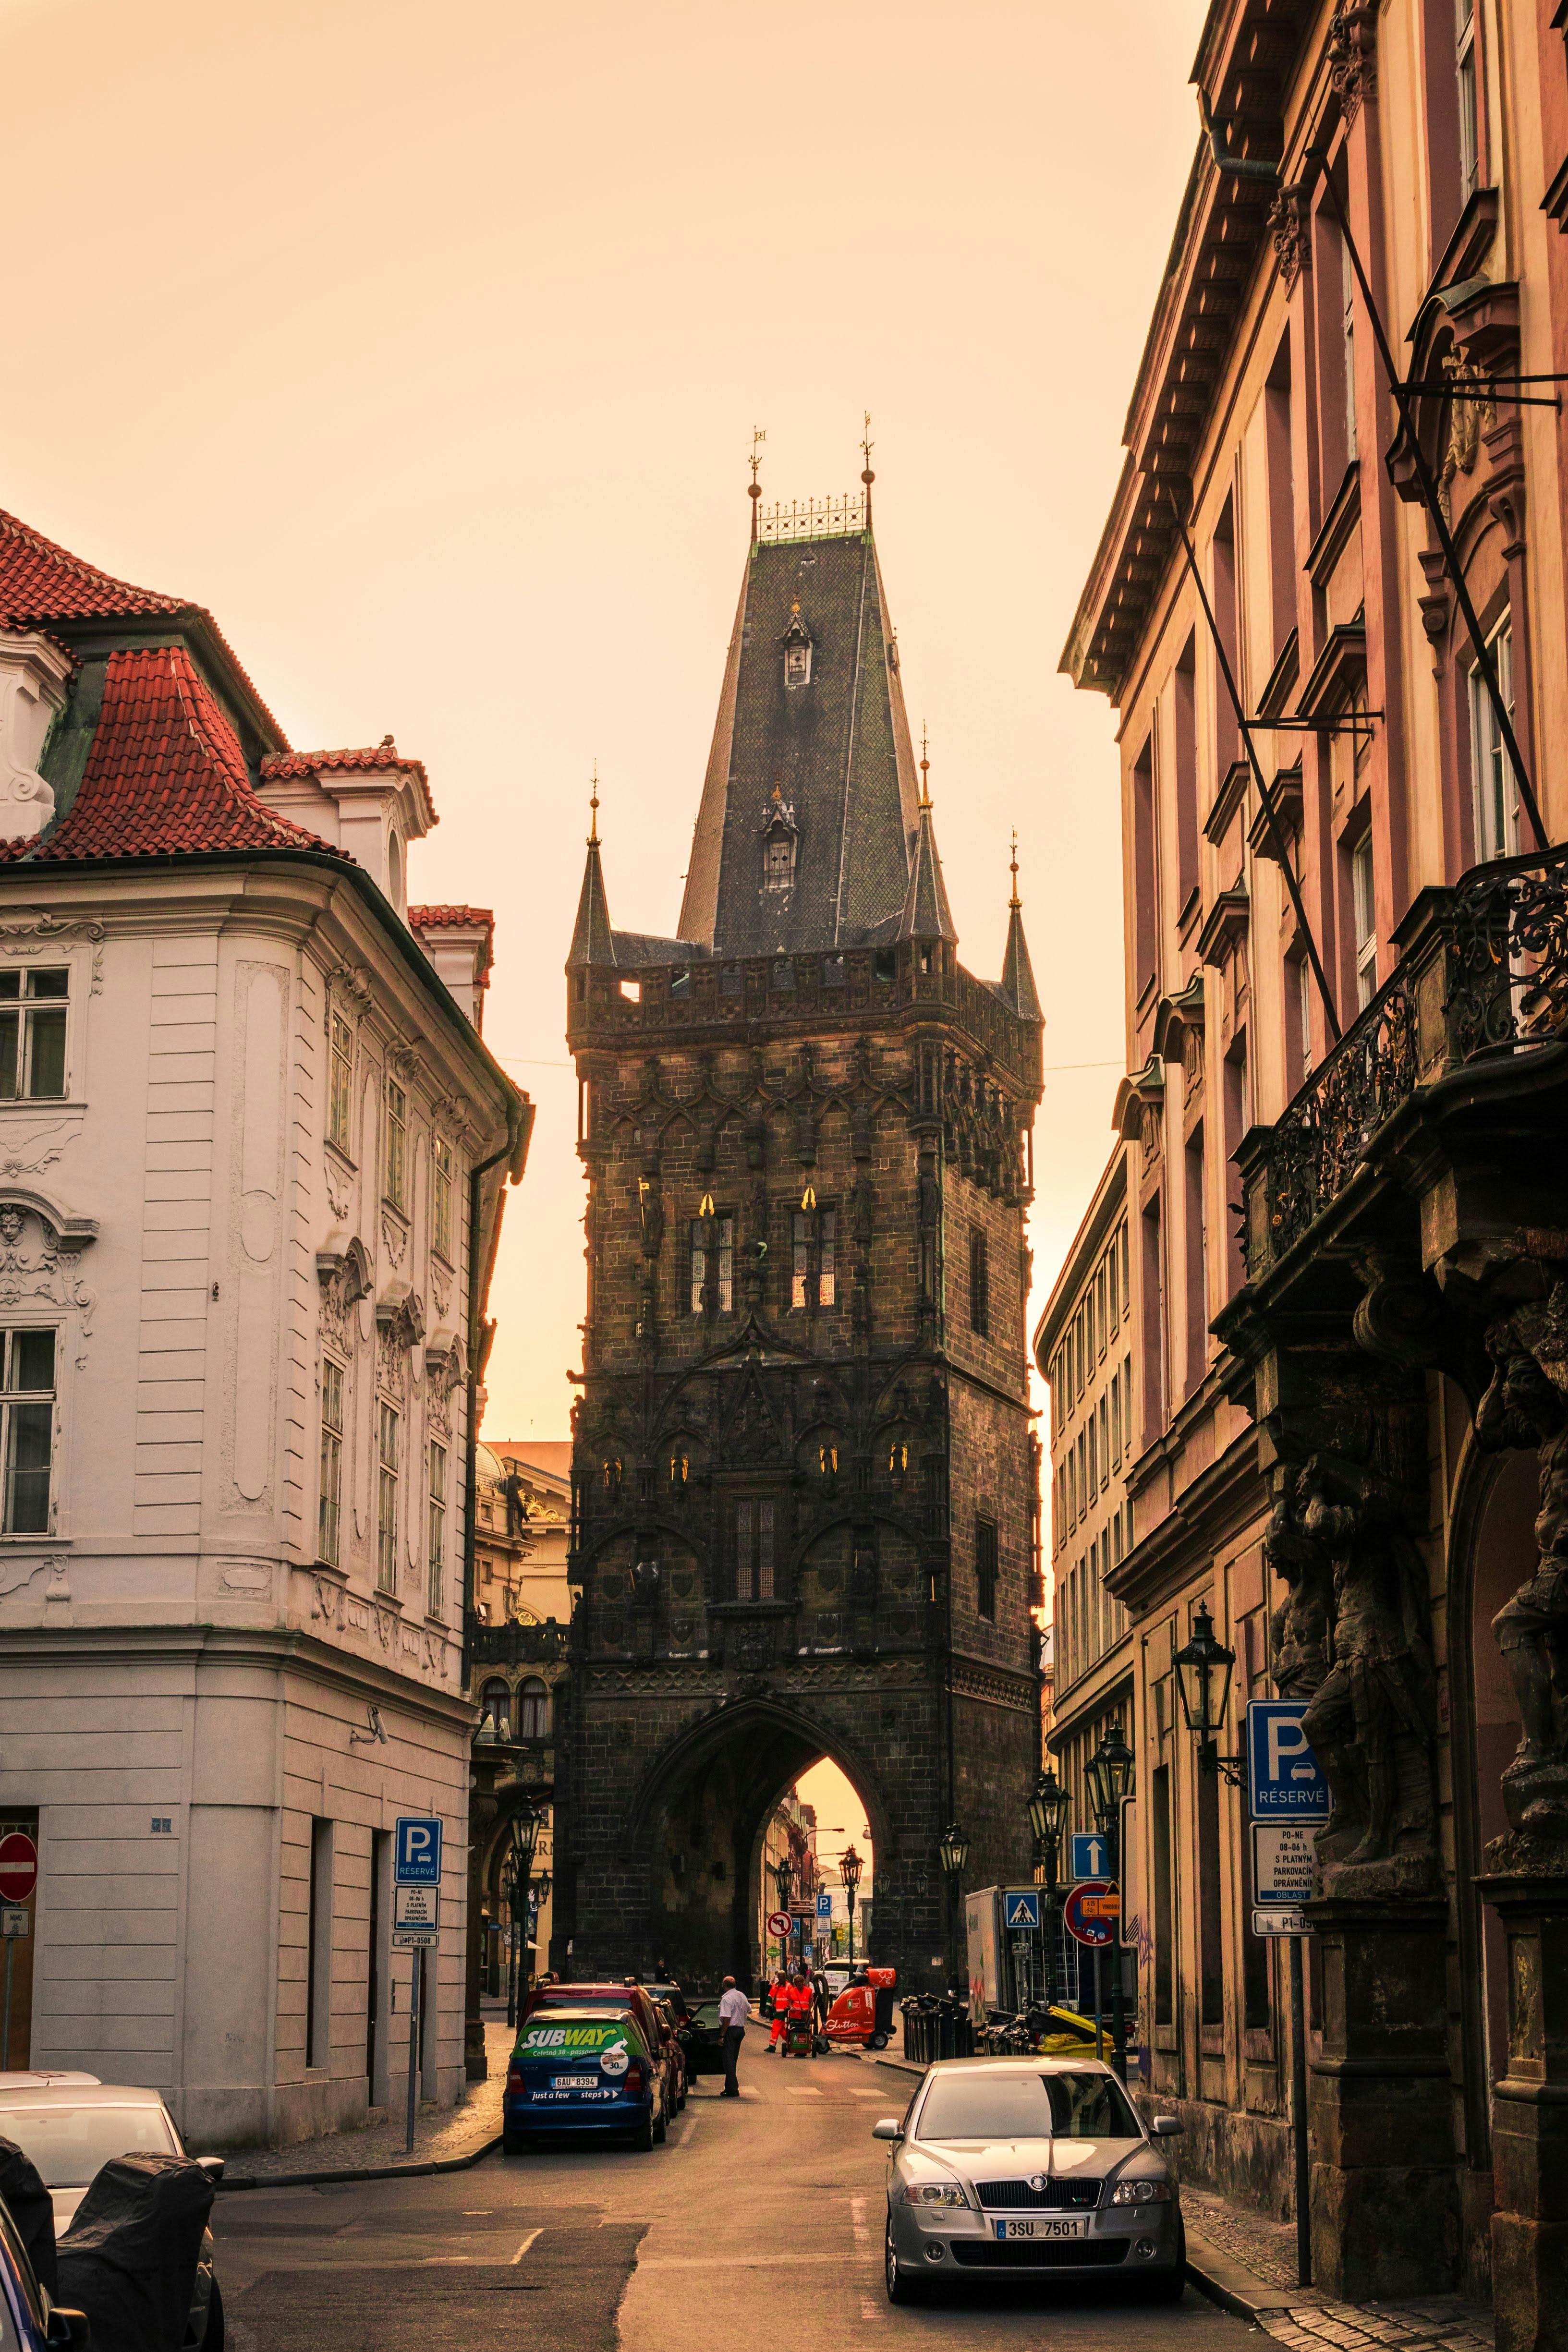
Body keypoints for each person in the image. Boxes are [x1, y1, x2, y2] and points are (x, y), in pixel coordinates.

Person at [717, 1975, 750, 2097]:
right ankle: (729, 2087)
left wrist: (722, 2035)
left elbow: (726, 2018)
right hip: (740, 2030)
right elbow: (749, 2009)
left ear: (725, 1986)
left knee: (728, 2061)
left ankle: (733, 2089)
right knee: (733, 2059)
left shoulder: (727, 1999)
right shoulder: (741, 1996)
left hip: (730, 2031)